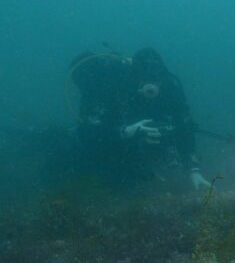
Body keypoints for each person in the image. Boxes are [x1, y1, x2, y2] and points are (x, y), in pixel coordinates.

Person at [69, 48, 209, 190]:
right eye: (144, 76)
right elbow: (90, 134)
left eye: (156, 76)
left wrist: (193, 170)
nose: (151, 84)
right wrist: (126, 132)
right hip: (111, 147)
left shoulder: (170, 87)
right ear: (133, 75)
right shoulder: (115, 89)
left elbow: (184, 125)